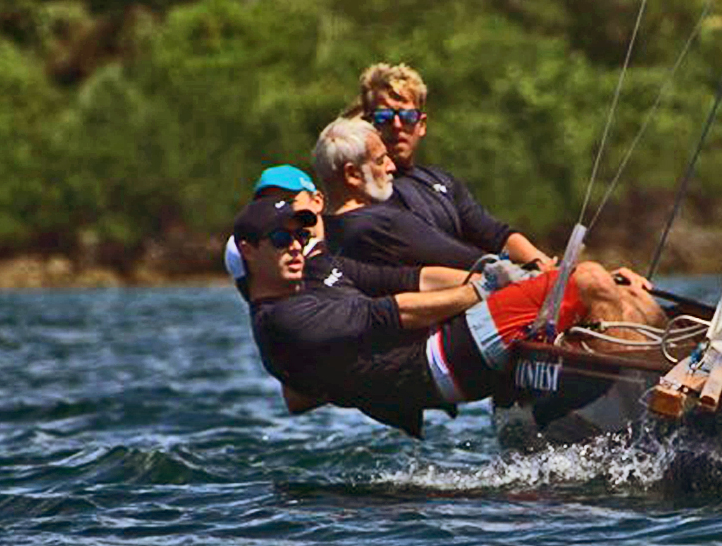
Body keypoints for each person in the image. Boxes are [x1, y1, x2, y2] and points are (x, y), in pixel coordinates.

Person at [234, 196, 666, 437]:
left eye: (299, 235)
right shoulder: (283, 321)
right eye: (279, 238)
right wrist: (479, 291)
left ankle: (672, 382)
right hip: (441, 360)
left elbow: (408, 279)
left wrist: (500, 274)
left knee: (614, 288)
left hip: (449, 341)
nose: (294, 245)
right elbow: (392, 314)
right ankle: (658, 418)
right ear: (249, 251)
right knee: (588, 282)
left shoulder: (315, 275)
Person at [322, 62, 552, 269]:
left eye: (408, 116)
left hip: (477, 285)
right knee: (587, 279)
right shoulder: (366, 190)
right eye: (384, 117)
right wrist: (502, 271)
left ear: (421, 125)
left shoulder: (441, 181)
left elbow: (493, 233)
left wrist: (539, 263)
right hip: (431, 299)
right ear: (369, 123)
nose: (397, 125)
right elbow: (434, 252)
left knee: (582, 277)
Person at [314, 117, 498, 269]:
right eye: (380, 161)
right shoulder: (385, 224)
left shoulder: (322, 236)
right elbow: (478, 263)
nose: (391, 166)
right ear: (352, 174)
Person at [224, 165, 326, 300]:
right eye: (269, 203)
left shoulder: (348, 233)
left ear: (317, 201)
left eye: (288, 201)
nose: (281, 210)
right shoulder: (239, 247)